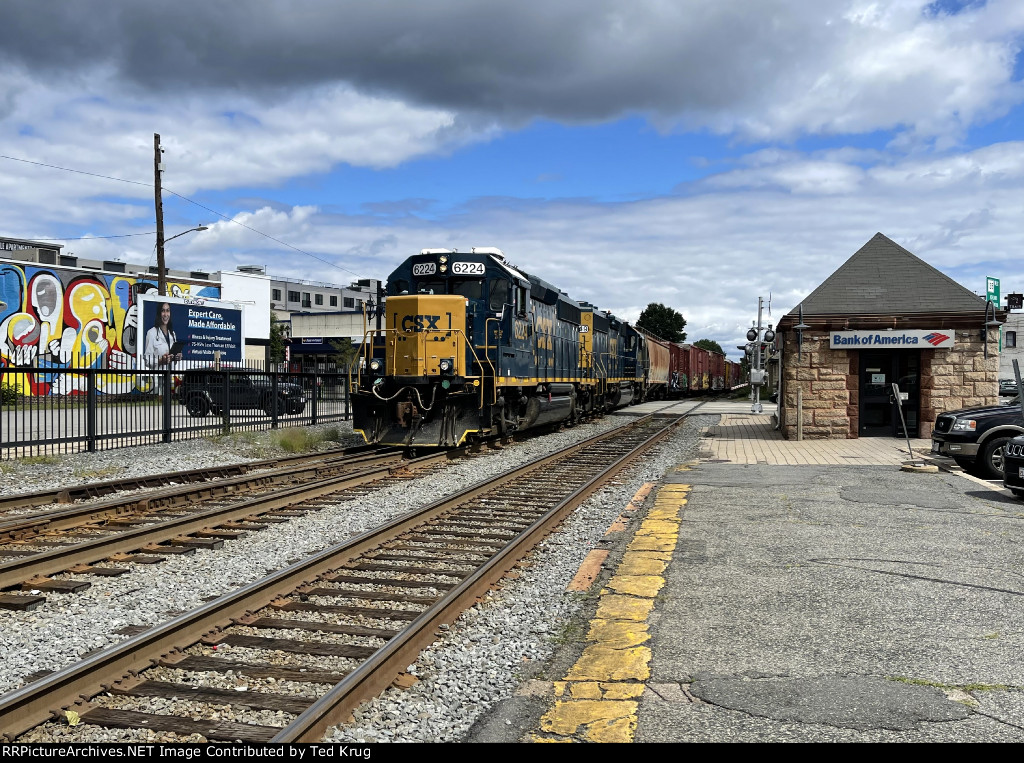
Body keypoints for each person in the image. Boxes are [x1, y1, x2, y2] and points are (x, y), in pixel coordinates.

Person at [144, 302, 181, 367]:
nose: (165, 314)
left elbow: (172, 360)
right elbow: (147, 361)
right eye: (163, 311)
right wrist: (160, 361)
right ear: (159, 313)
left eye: (168, 311)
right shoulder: (151, 333)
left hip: (170, 375)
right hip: (158, 375)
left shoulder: (172, 334)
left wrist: (177, 357)